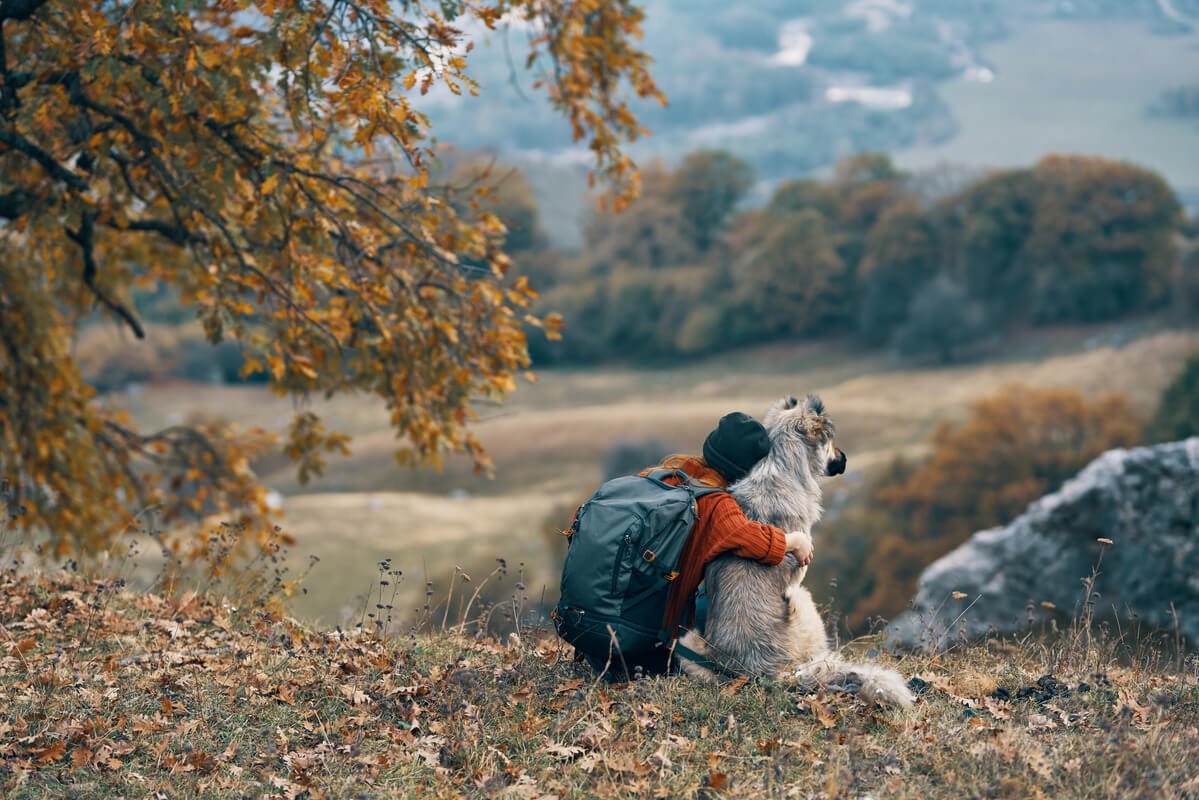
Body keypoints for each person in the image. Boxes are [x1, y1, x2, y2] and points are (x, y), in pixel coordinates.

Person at [642, 411, 812, 662]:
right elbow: (753, 540)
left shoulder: (662, 473)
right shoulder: (717, 505)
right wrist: (795, 541)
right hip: (644, 636)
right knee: (710, 605)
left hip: (600, 616)